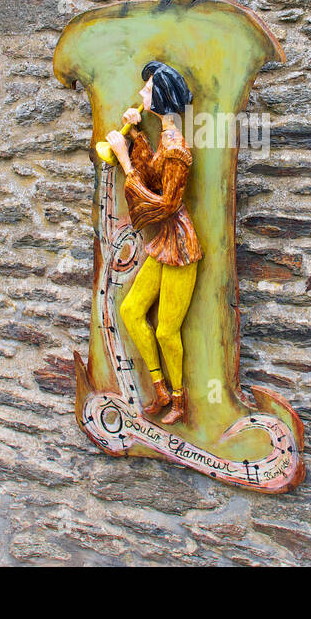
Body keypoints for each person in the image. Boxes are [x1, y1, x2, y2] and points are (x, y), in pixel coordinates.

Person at [106, 61, 201, 426]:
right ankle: (159, 387)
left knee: (166, 329)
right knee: (131, 311)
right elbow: (153, 175)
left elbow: (165, 205)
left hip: (180, 244)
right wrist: (134, 137)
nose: (142, 93)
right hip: (164, 243)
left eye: (147, 90)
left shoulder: (177, 149)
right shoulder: (164, 138)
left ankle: (179, 399)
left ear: (160, 96)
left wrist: (126, 162)